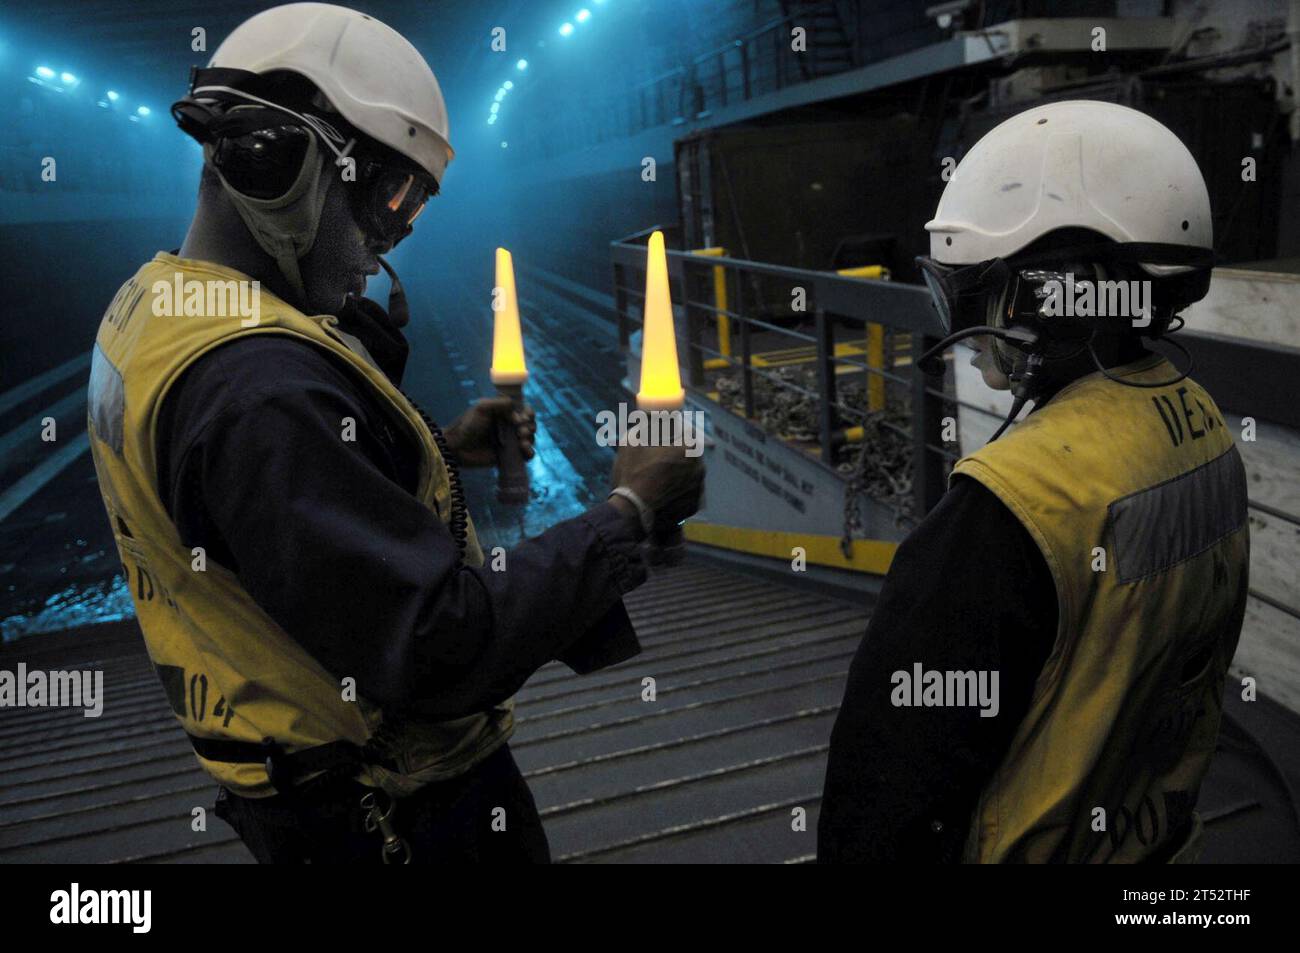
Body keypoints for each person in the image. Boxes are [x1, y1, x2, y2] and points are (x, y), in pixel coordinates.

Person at [86, 3, 703, 864]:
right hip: (394, 818)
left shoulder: (155, 311)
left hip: (301, 796)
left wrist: (437, 449)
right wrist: (631, 509)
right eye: (387, 193)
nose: (390, 236)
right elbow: (436, 644)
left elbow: (266, 526)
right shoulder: (259, 386)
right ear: (278, 161)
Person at [818, 100, 1248, 863]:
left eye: (972, 290)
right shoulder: (1204, 425)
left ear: (1052, 293)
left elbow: (887, 792)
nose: (965, 325)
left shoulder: (1007, 507)